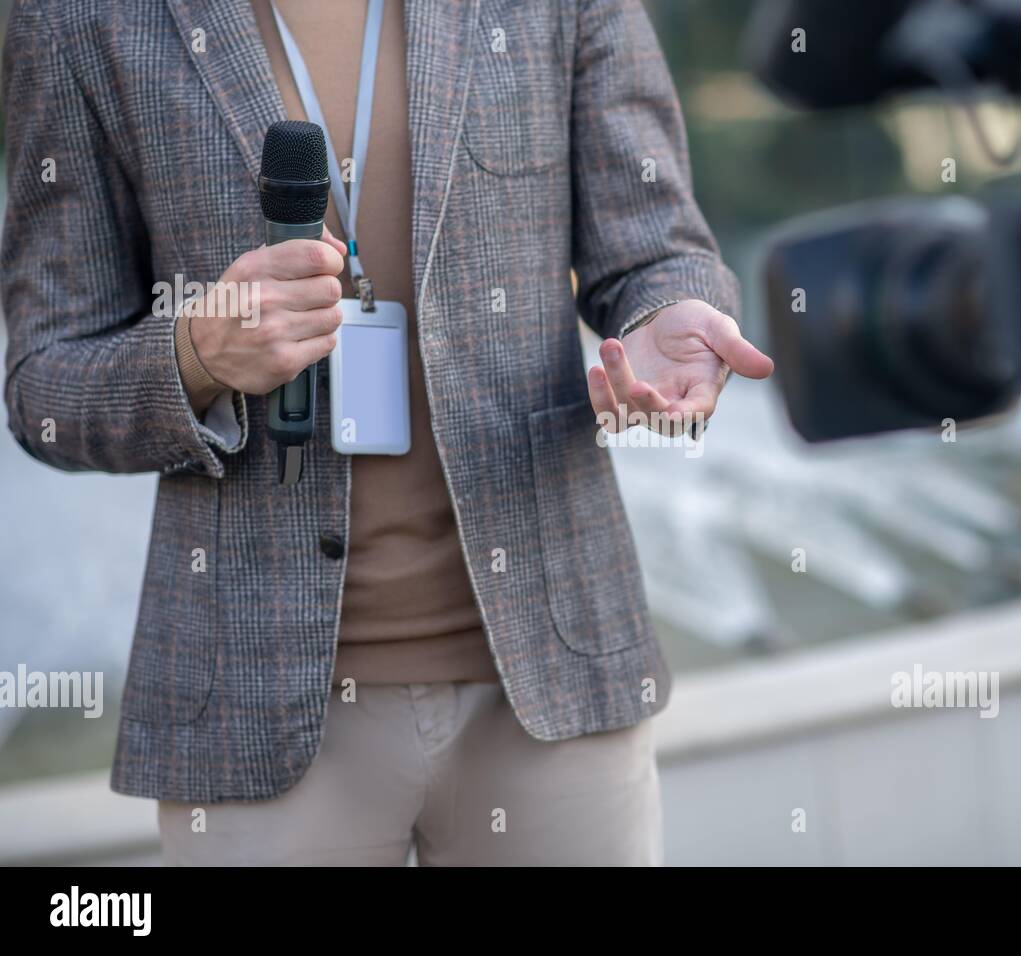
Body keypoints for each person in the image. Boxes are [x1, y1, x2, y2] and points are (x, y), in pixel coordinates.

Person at [1, 0, 772, 865]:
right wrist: (195, 353)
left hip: (551, 683)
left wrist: (671, 313)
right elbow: (43, 388)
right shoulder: (72, 17)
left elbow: (654, 248)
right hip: (253, 711)